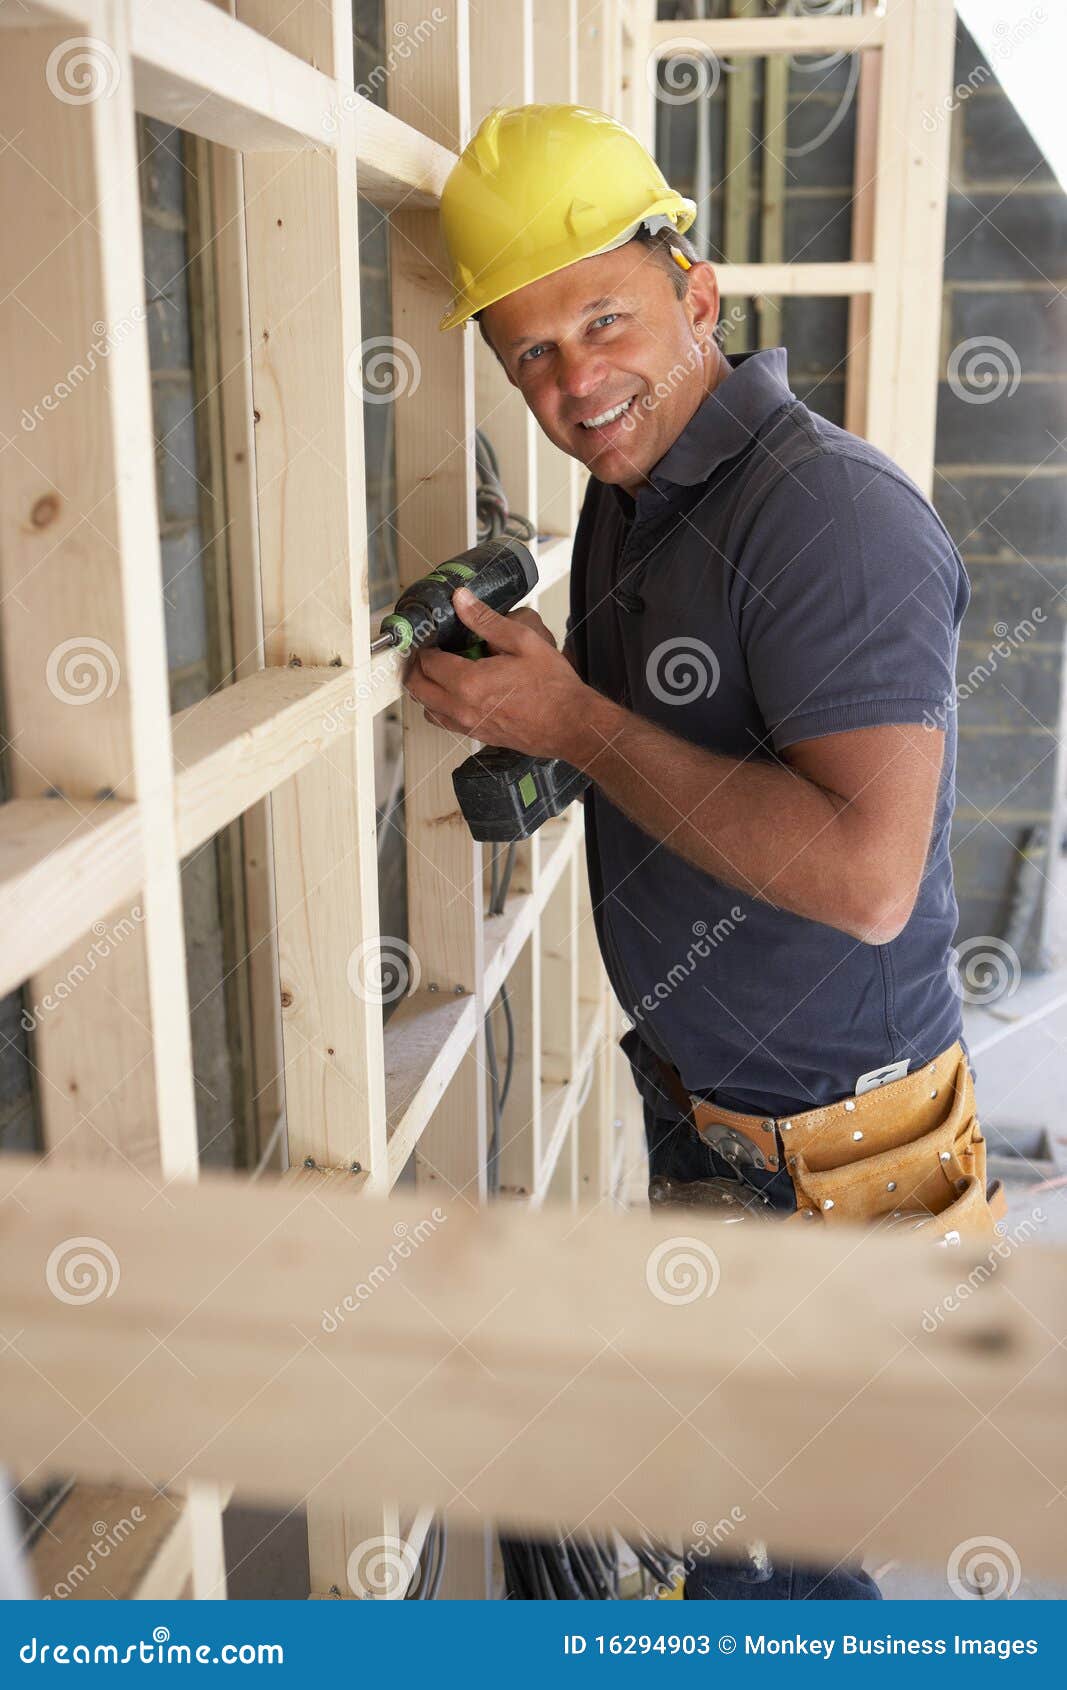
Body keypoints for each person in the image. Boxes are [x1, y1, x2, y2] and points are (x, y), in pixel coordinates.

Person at [404, 103, 1002, 1601]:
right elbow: (694, 740)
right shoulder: (636, 491)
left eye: (603, 318)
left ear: (699, 292)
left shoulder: (826, 516)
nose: (574, 383)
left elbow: (869, 877)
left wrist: (582, 724)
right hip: (714, 1122)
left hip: (829, 1161)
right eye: (529, 351)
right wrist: (556, 731)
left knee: (774, 1567)